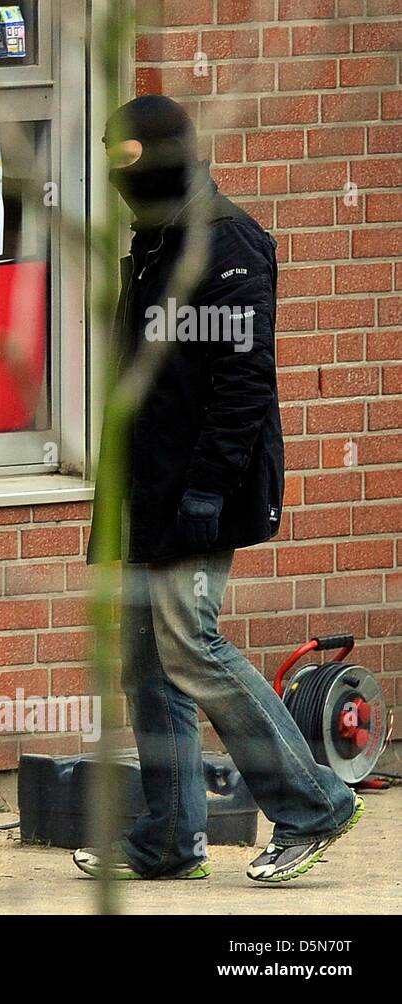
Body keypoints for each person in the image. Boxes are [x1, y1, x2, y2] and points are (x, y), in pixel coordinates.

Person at [78, 95, 363, 883]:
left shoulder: (227, 240)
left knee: (192, 647)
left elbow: (244, 381)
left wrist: (206, 489)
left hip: (198, 491)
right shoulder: (155, 238)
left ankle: (314, 805)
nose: (114, 176)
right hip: (144, 488)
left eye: (125, 158)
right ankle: (169, 837)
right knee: (147, 662)